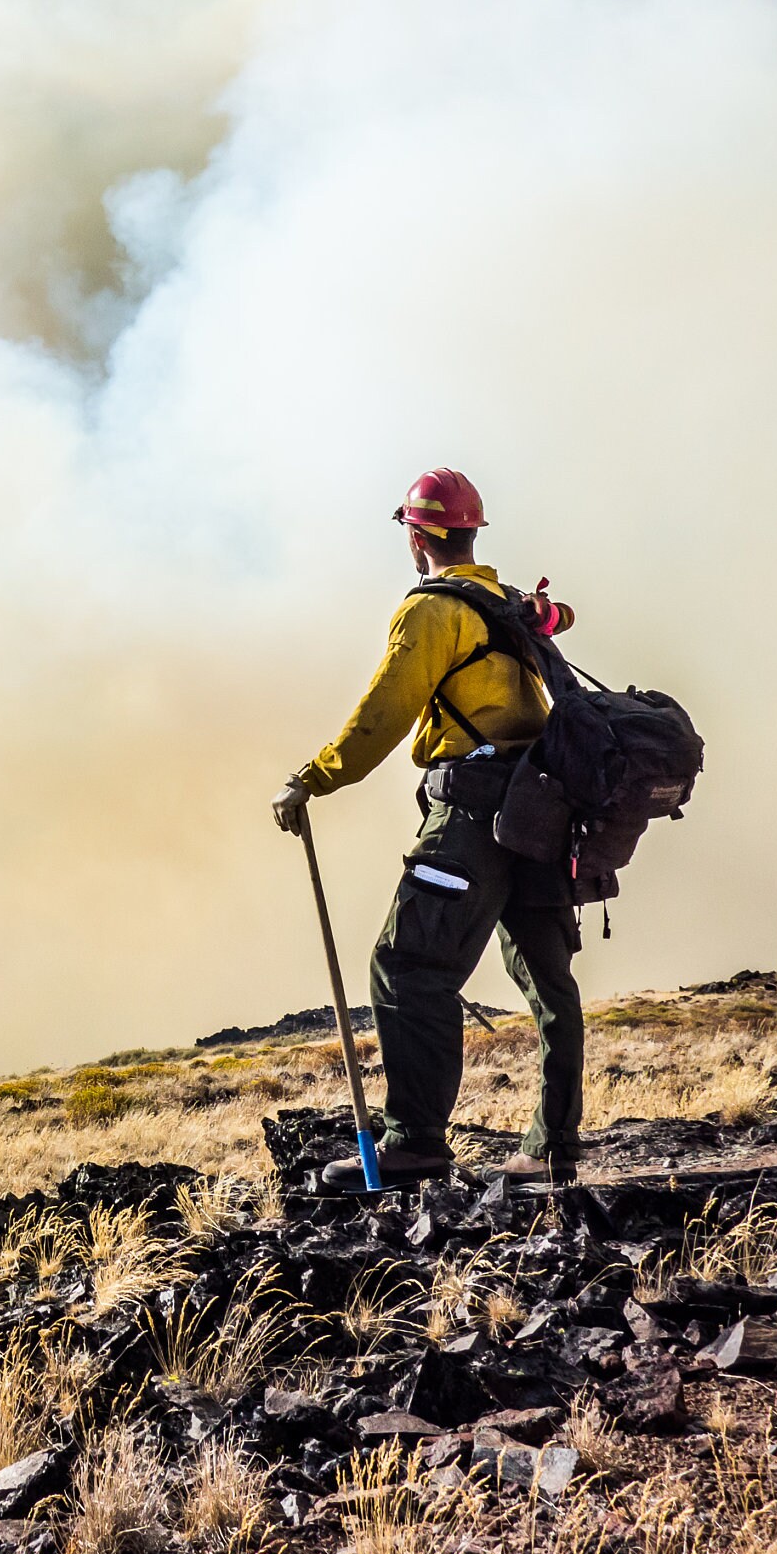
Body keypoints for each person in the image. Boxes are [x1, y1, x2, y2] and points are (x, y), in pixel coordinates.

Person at [270, 468, 583, 1184]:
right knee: (547, 979)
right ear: (471, 532)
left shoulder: (435, 611)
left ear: (418, 538)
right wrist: (553, 612)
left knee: (407, 966)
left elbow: (385, 712)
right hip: (542, 809)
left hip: (474, 812)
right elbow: (562, 618)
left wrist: (311, 777)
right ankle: (555, 1146)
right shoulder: (507, 603)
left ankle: (414, 1144)